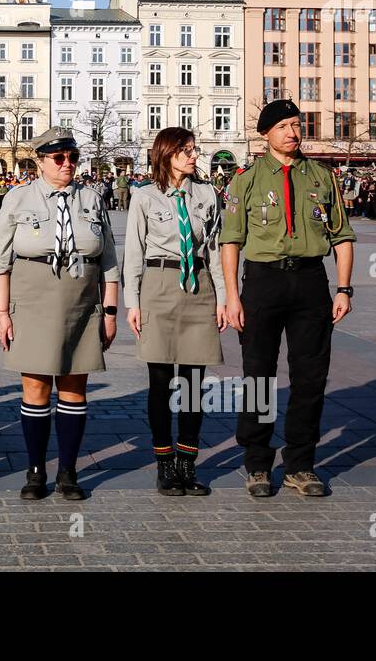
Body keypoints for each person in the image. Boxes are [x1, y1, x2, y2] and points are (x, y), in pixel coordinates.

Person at [220, 100, 356, 498]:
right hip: (262, 283)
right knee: (259, 374)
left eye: (297, 125)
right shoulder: (244, 180)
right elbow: (231, 241)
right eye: (283, 126)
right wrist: (232, 296)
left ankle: (301, 464)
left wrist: (344, 288)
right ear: (266, 133)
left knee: (310, 376)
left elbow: (342, 236)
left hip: (311, 282)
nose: (293, 133)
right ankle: (258, 463)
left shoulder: (322, 177)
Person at [0, 126, 119, 501]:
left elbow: (108, 259)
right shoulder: (17, 199)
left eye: (73, 158)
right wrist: (3, 311)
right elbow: (0, 260)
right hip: (32, 295)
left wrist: (109, 310)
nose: (68, 165)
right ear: (40, 161)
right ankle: (35, 470)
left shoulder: (92, 198)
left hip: (80, 299)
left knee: (74, 387)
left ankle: (68, 469)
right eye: (59, 158)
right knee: (35, 387)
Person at [122, 127, 227, 496]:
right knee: (161, 381)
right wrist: (132, 302)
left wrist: (225, 297)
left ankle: (188, 463)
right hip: (159, 284)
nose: (193, 156)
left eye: (194, 150)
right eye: (185, 150)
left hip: (198, 287)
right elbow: (133, 252)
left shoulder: (207, 194)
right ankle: (164, 464)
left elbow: (214, 250)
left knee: (195, 383)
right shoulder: (145, 197)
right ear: (166, 154)